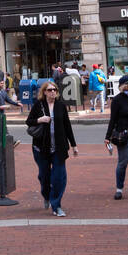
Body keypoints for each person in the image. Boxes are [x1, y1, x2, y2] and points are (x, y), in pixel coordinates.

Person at [27, 81, 78, 215]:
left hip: (59, 148)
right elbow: (29, 121)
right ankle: (46, 195)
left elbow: (67, 126)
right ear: (44, 92)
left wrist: (74, 145)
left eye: (54, 89)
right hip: (41, 148)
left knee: (59, 177)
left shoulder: (61, 106)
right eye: (49, 90)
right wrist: (40, 120)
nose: (53, 92)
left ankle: (56, 206)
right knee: (44, 176)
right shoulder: (39, 105)